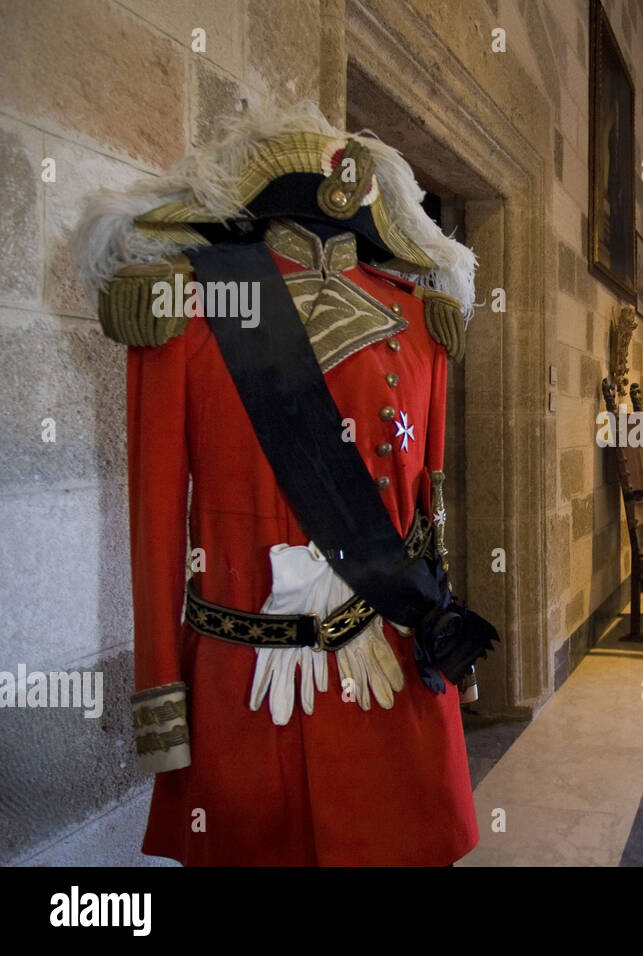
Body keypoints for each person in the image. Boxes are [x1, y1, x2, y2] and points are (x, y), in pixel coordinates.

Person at [76, 105, 495, 866]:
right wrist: (161, 696)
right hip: (250, 687)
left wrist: (444, 636)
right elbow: (157, 524)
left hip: (391, 665)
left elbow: (427, 510)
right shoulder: (186, 309)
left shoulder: (419, 320)